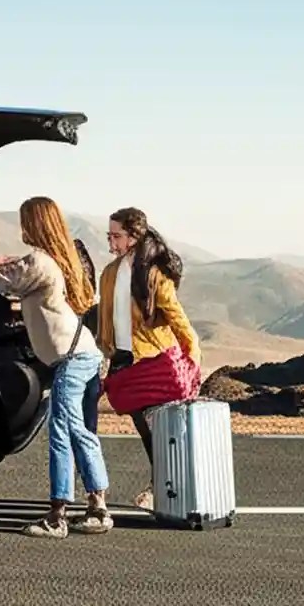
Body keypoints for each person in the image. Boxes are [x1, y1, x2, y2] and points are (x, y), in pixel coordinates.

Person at [0, 196, 112, 539]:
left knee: (62, 433)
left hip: (71, 360)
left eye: (24, 220)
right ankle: (98, 508)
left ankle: (57, 517)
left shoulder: (38, 262)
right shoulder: (59, 260)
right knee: (79, 431)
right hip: (84, 355)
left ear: (34, 223)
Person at [97, 207, 201, 510]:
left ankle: (165, 488)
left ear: (133, 237)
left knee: (154, 428)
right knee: (144, 427)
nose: (111, 241)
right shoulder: (109, 273)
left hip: (153, 362)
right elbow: (104, 314)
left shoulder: (154, 276)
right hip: (123, 361)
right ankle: (165, 485)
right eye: (109, 235)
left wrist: (192, 353)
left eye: (116, 236)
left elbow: (177, 317)